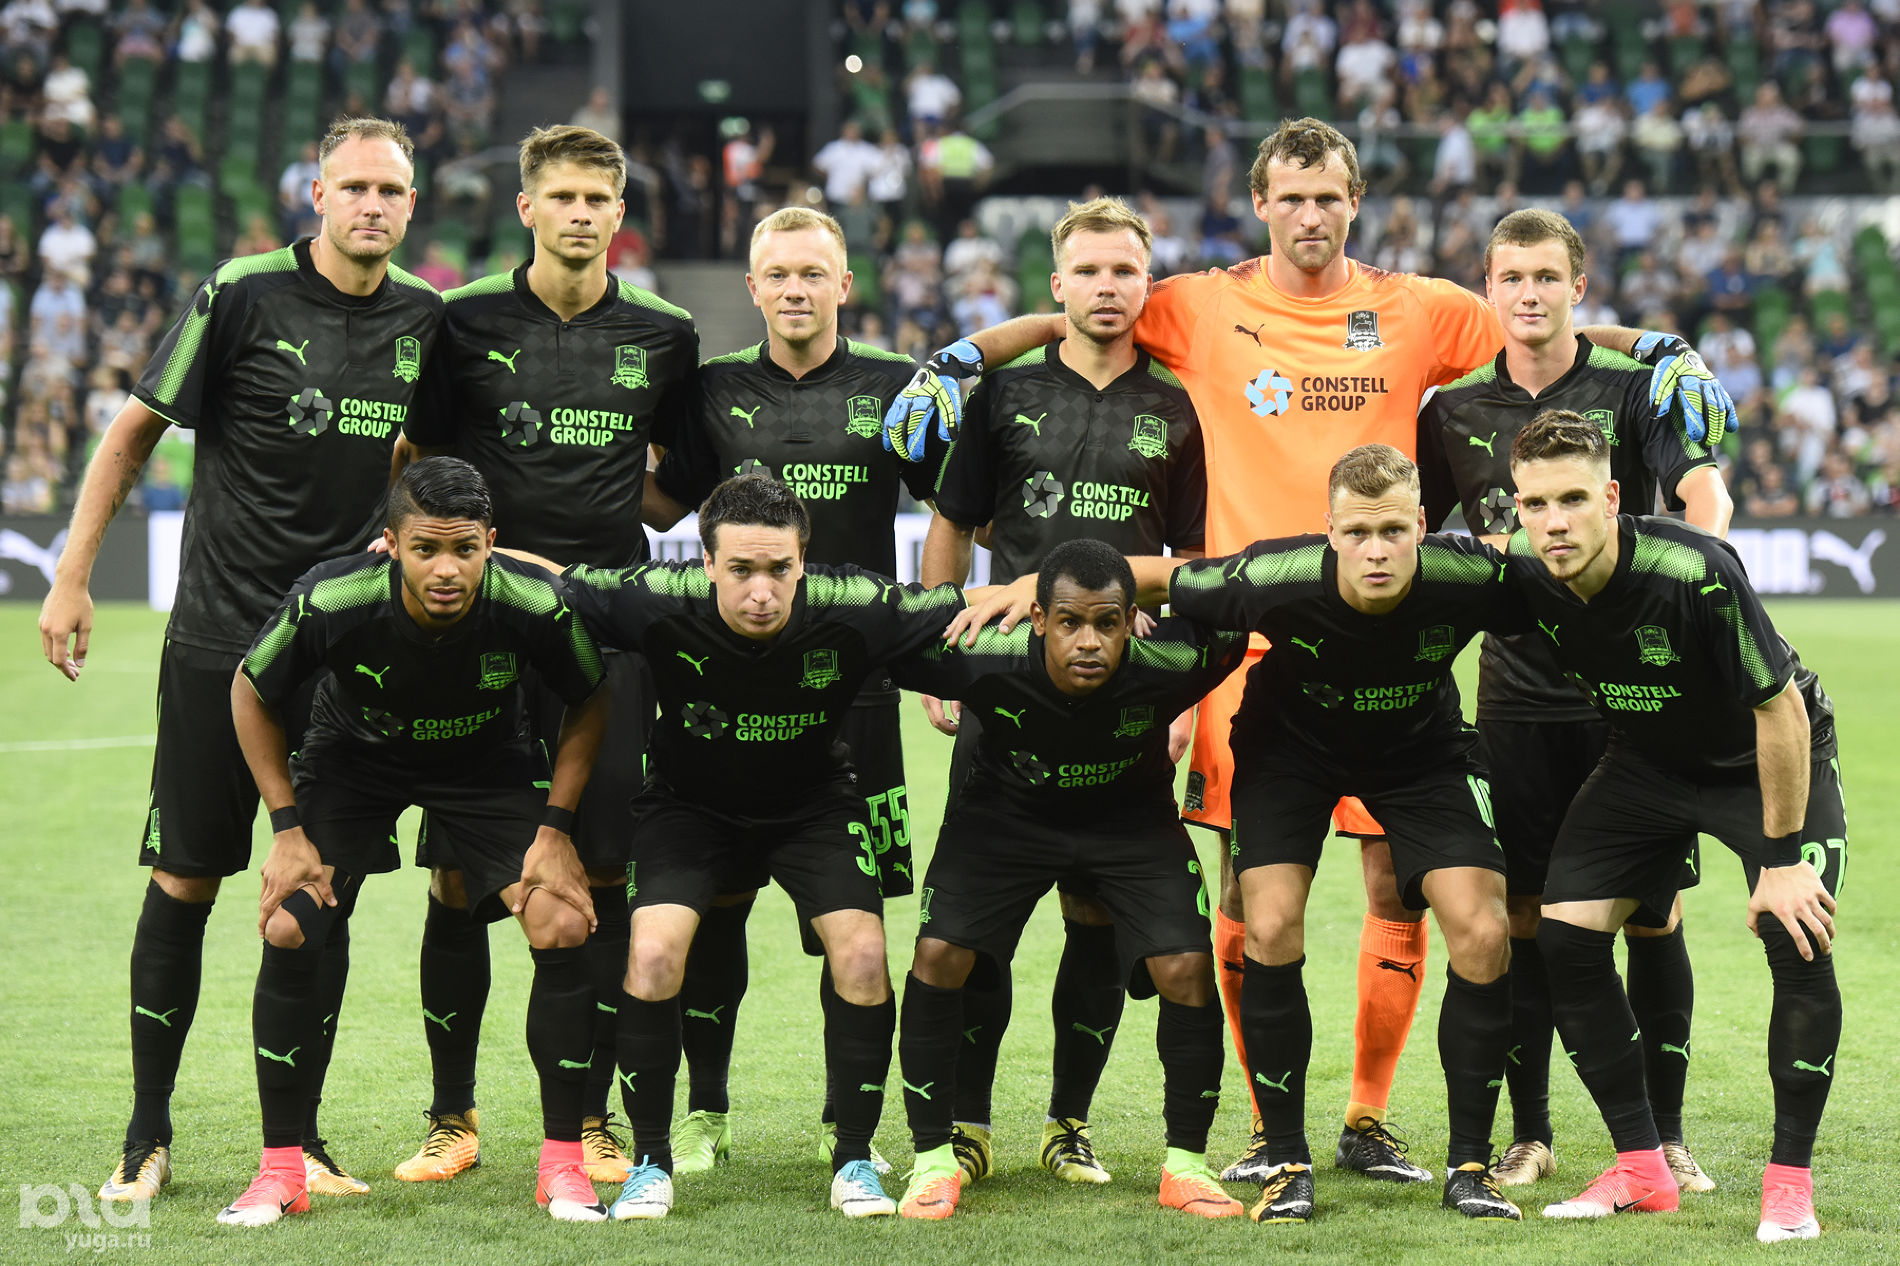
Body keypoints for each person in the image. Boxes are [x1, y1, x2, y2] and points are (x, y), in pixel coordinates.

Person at [885, 116, 1732, 1187]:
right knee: (1251, 893)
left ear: (1354, 201)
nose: (1310, 214)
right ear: (1261, 204)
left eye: (1328, 195)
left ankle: (1368, 1117)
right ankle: (1262, 1125)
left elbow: (1538, 319)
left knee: (1394, 887)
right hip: (1245, 638)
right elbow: (1084, 311)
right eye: (1290, 197)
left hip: (1387, 634)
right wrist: (963, 354)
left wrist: (1656, 346)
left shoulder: (1416, 308)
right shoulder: (1202, 302)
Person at [38, 116, 442, 1207]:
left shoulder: (425, 318)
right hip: (219, 644)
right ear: (318, 195)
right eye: (354, 186)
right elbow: (131, 434)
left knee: (326, 890)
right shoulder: (242, 293)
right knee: (188, 880)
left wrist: (397, 525)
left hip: (344, 656)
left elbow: (423, 456)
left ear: (411, 205)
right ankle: (145, 1133)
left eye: (391, 190)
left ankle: (298, 1142)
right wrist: (72, 576)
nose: (372, 205)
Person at [386, 124, 699, 1187]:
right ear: (526, 207)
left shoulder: (664, 332)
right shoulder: (463, 319)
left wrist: (601, 523)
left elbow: (677, 487)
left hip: (605, 638)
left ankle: (592, 1121)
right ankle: (452, 1117)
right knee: (457, 878)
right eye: (560, 196)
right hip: (485, 632)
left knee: (599, 871)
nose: (579, 214)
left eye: (596, 199)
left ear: (621, 214)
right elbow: (421, 458)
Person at [1415, 208, 1734, 1192]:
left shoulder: (1634, 392)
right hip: (1514, 704)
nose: (1529, 294)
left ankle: (1666, 1136)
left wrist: (1699, 577)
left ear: (1577, 288)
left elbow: (1704, 497)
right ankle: (1531, 1133)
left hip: (1630, 700)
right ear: (1488, 288)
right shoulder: (1449, 409)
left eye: (1547, 277)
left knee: (1651, 917)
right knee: (1521, 916)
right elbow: (1418, 544)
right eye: (1511, 277)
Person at [558, 473, 974, 1222]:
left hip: (812, 806)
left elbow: (964, 610)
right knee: (651, 954)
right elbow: (545, 582)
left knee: (863, 955)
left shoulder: (854, 604)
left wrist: (1038, 590)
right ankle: (651, 1163)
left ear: (802, 562)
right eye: (741, 570)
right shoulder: (657, 599)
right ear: (707, 564)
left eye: (779, 569)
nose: (761, 592)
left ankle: (853, 1159)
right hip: (688, 808)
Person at [217, 457, 609, 1225]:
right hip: (354, 757)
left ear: (490, 542)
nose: (446, 569)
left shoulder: (534, 602)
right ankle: (281, 1170)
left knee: (561, 919)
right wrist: (287, 829)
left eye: (464, 548)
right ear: (390, 544)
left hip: (486, 762)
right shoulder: (335, 596)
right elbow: (249, 689)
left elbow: (591, 696)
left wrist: (557, 830)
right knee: (291, 923)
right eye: (426, 549)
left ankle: (563, 1167)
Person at [641, 205, 943, 1174]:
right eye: (778, 274)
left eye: (814, 272)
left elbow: (954, 506)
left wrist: (937, 649)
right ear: (753, 288)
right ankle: (705, 1113)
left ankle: (840, 1123)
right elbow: (659, 504)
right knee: (714, 911)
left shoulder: (895, 385)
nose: (796, 289)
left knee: (851, 923)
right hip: (723, 694)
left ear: (845, 284)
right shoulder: (713, 388)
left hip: (859, 700)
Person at [916, 195, 1206, 1187]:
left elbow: (1195, 561)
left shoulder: (1178, 404)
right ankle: (965, 1124)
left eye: (1125, 270)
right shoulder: (1003, 395)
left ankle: (1067, 1123)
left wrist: (1183, 699)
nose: (1107, 286)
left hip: (1125, 698)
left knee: (1097, 920)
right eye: (1088, 270)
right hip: (1008, 690)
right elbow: (954, 520)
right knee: (976, 929)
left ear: (1147, 282)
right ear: (1057, 285)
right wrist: (940, 653)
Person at [1504, 413, 1843, 1243]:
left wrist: (1782, 860)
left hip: (1762, 757)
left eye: (1573, 499)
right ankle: (1642, 1166)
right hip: (1647, 762)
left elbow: (1781, 709)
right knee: (1566, 936)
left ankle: (1789, 1187)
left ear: (1610, 497)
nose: (1554, 522)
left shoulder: (1694, 569)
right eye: (1535, 504)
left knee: (1796, 933)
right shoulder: (1521, 569)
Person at [891, 539, 1245, 1221]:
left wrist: (1139, 586)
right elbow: (889, 623)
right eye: (1070, 622)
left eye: (1107, 623)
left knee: (1185, 968)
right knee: (940, 953)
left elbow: (1233, 591)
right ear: (1038, 619)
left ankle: (1186, 1168)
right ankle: (935, 1160)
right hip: (1004, 817)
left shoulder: (1170, 658)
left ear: (1131, 621)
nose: (1089, 642)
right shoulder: (985, 653)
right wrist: (985, 596)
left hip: (1129, 821)